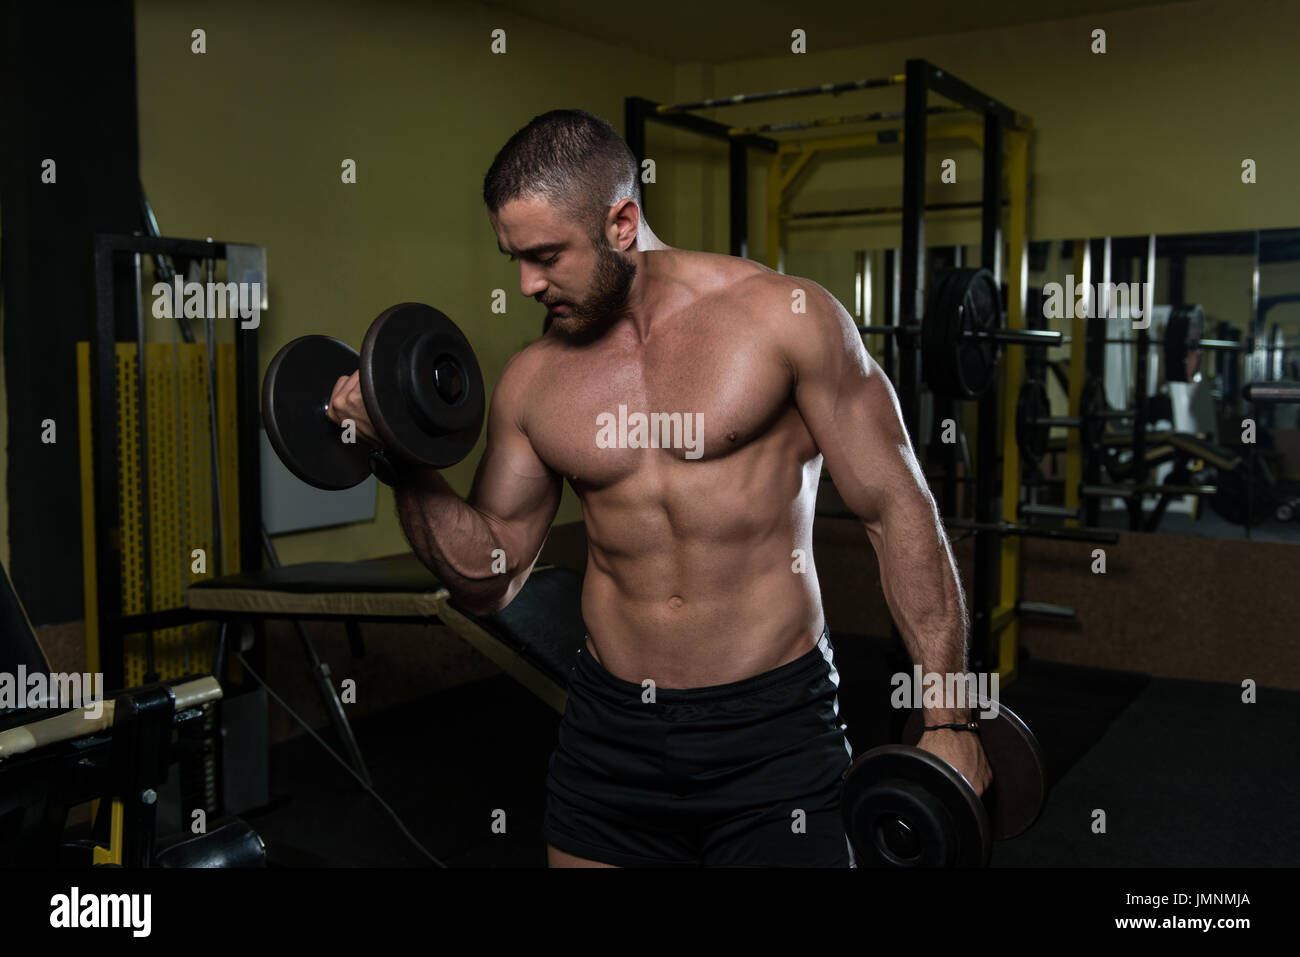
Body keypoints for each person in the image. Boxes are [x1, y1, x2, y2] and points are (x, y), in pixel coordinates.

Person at [327, 109, 987, 867]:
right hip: (609, 736)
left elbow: (897, 508)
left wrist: (949, 719)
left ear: (621, 222)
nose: (527, 284)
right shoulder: (533, 381)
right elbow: (490, 578)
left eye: (545, 256)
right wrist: (402, 461)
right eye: (514, 258)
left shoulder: (787, 320)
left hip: (773, 729)